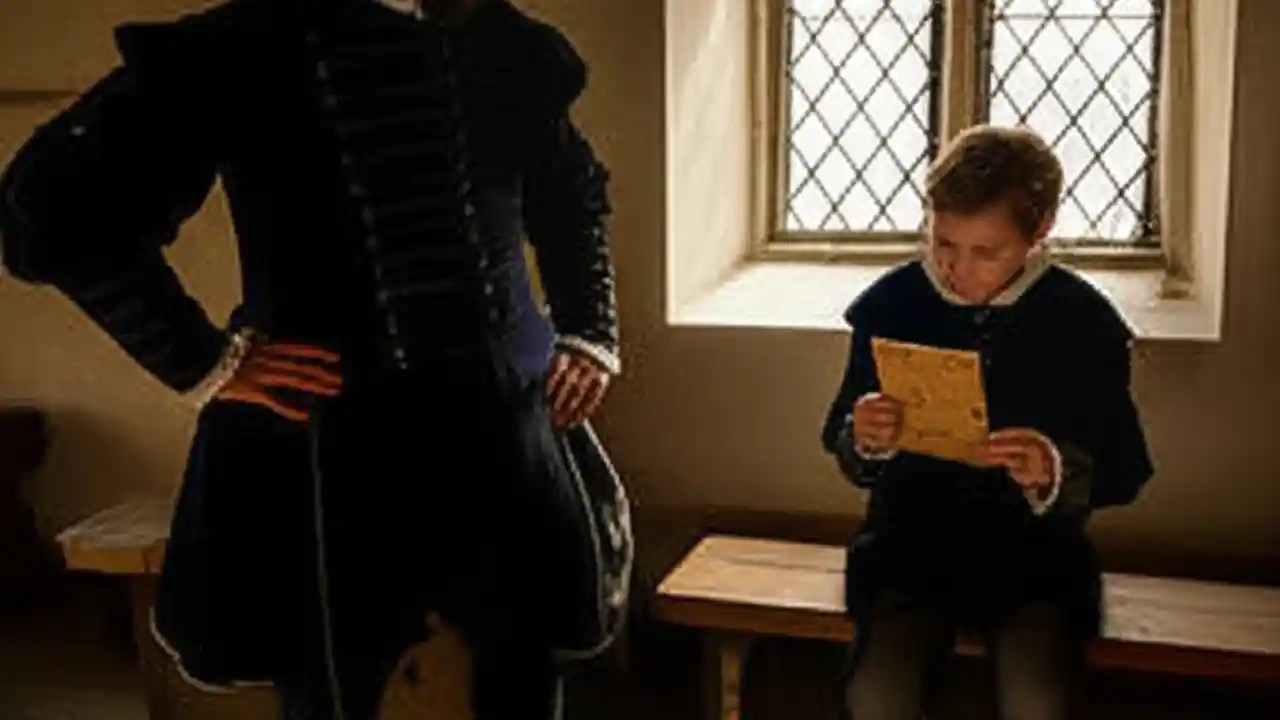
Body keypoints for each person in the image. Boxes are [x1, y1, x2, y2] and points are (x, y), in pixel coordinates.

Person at [0, 0, 634, 718]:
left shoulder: (503, 41)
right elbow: (51, 207)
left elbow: (572, 196)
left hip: (506, 430)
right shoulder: (243, 47)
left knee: (520, 674)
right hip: (332, 446)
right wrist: (202, 358)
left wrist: (589, 333)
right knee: (335, 683)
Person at [820, 124, 1155, 719]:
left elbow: (1126, 467)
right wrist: (865, 437)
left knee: (1037, 700)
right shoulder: (893, 304)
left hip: (1034, 565)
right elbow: (841, 436)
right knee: (876, 694)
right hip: (910, 553)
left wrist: (1052, 470)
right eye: (943, 243)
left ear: (1040, 231)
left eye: (986, 252)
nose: (957, 268)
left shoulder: (1082, 322)